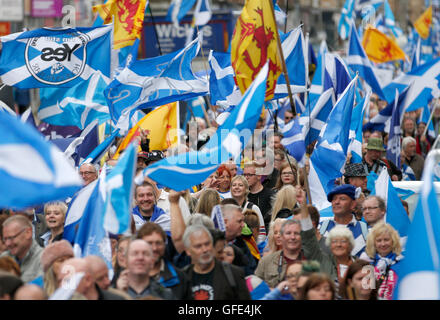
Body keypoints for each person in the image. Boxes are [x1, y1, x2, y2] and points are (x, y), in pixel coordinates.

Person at [182, 224, 251, 300]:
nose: (205, 250)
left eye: (207, 244)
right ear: (188, 251)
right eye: (198, 246)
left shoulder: (234, 274)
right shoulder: (182, 277)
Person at [136, 222, 192, 300]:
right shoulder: (127, 277)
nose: (154, 248)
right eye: (149, 243)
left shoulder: (180, 278)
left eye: (158, 243)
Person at [318, 184, 369, 258]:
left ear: (353, 204)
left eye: (342, 199)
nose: (336, 202)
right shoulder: (321, 228)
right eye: (334, 199)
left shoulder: (365, 230)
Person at [255, 219, 306, 288]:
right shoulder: (266, 259)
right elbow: (256, 285)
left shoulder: (302, 257)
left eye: (281, 232)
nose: (278, 235)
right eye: (275, 232)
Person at [360, 222, 403, 300]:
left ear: (393, 241)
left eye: (386, 240)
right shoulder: (366, 263)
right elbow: (363, 292)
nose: (383, 244)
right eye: (379, 240)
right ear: (373, 243)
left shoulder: (402, 262)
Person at [0, 215, 43, 282]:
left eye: (11, 238)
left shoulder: (43, 259)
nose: (7, 243)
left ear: (28, 233)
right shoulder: (4, 258)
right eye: (5, 239)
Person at [60, 258, 126, 300]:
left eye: (107, 276)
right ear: (87, 280)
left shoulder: (118, 298)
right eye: (100, 279)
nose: (108, 282)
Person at [223, 204, 258, 276]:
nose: (243, 225)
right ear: (225, 222)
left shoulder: (242, 243)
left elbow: (250, 272)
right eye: (239, 221)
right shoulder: (210, 244)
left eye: (243, 221)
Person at [230, 175, 266, 244]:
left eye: (240, 185)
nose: (237, 187)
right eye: (234, 185)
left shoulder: (253, 208)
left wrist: (254, 248)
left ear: (246, 189)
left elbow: (262, 234)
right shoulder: (226, 207)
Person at [243, 162, 276, 232]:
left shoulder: (271, 195)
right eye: (244, 175)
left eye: (249, 175)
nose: (246, 178)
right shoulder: (243, 195)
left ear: (259, 176)